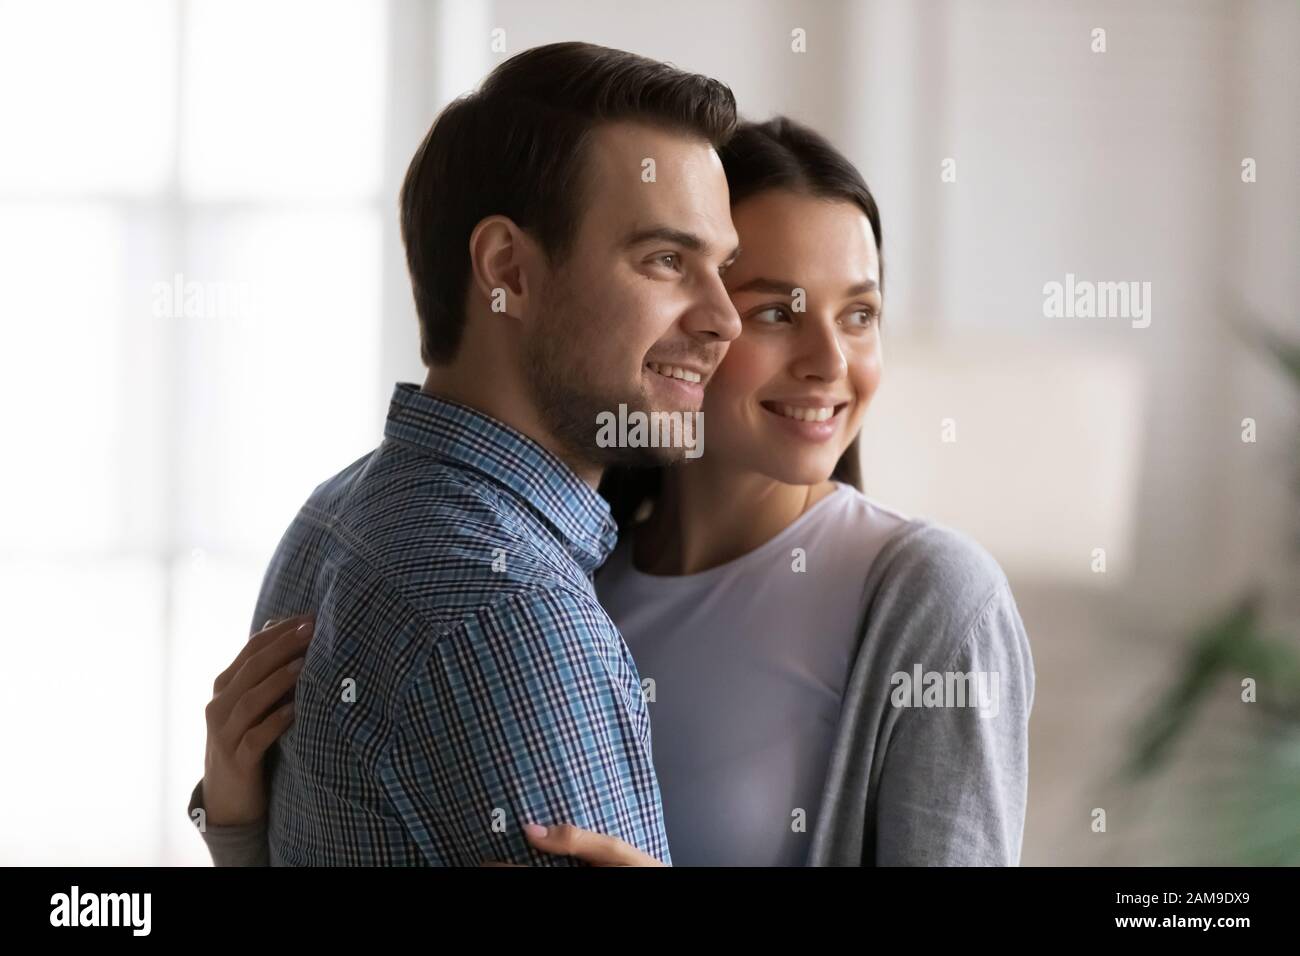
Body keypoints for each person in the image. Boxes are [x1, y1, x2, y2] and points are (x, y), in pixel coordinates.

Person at [194, 101, 1036, 869]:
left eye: (859, 314)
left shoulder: (932, 602)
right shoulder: (559, 575)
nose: (829, 363)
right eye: (774, 310)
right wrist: (240, 825)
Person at [189, 40, 743, 866]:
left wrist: (232, 835)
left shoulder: (333, 515)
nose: (723, 319)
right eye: (667, 260)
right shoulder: (515, 612)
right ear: (507, 270)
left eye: (723, 269)